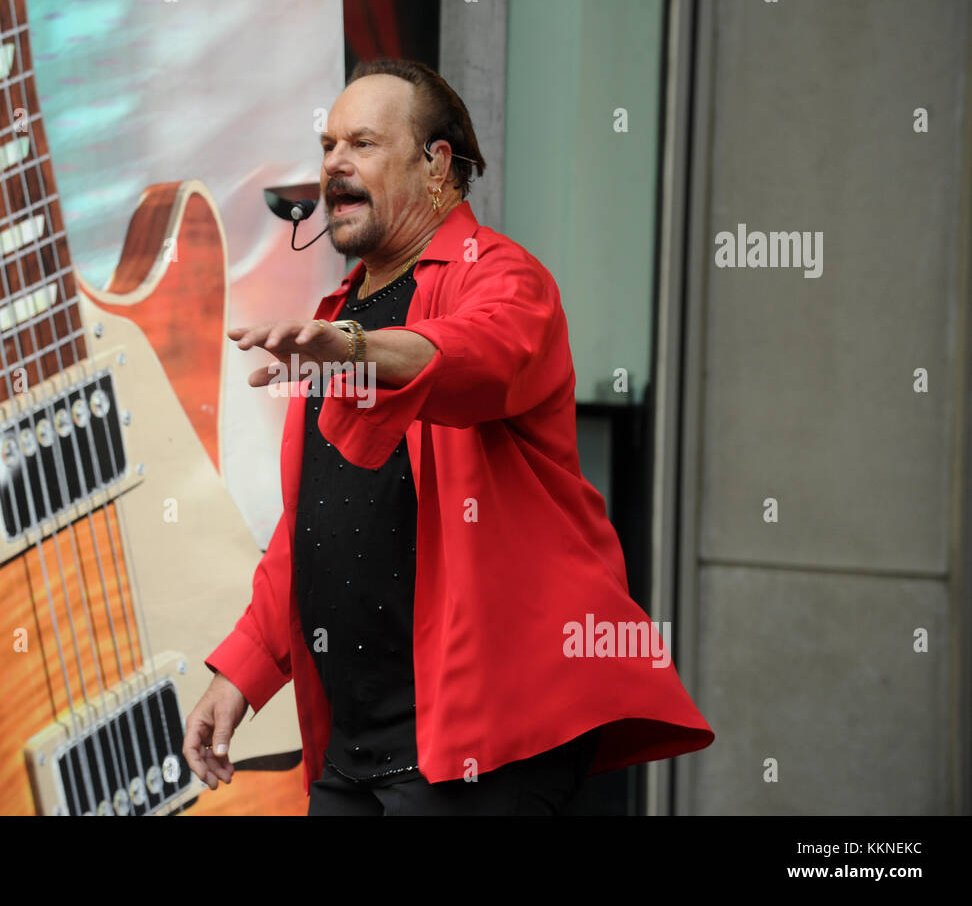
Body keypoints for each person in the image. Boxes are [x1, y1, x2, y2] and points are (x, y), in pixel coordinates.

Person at [182, 58, 713, 815]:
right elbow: (314, 533)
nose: (335, 162)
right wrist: (238, 674)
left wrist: (362, 348)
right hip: (354, 750)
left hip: (481, 747)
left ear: (437, 165)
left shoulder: (503, 277)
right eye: (328, 144)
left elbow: (475, 356)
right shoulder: (335, 313)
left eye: (362, 143)